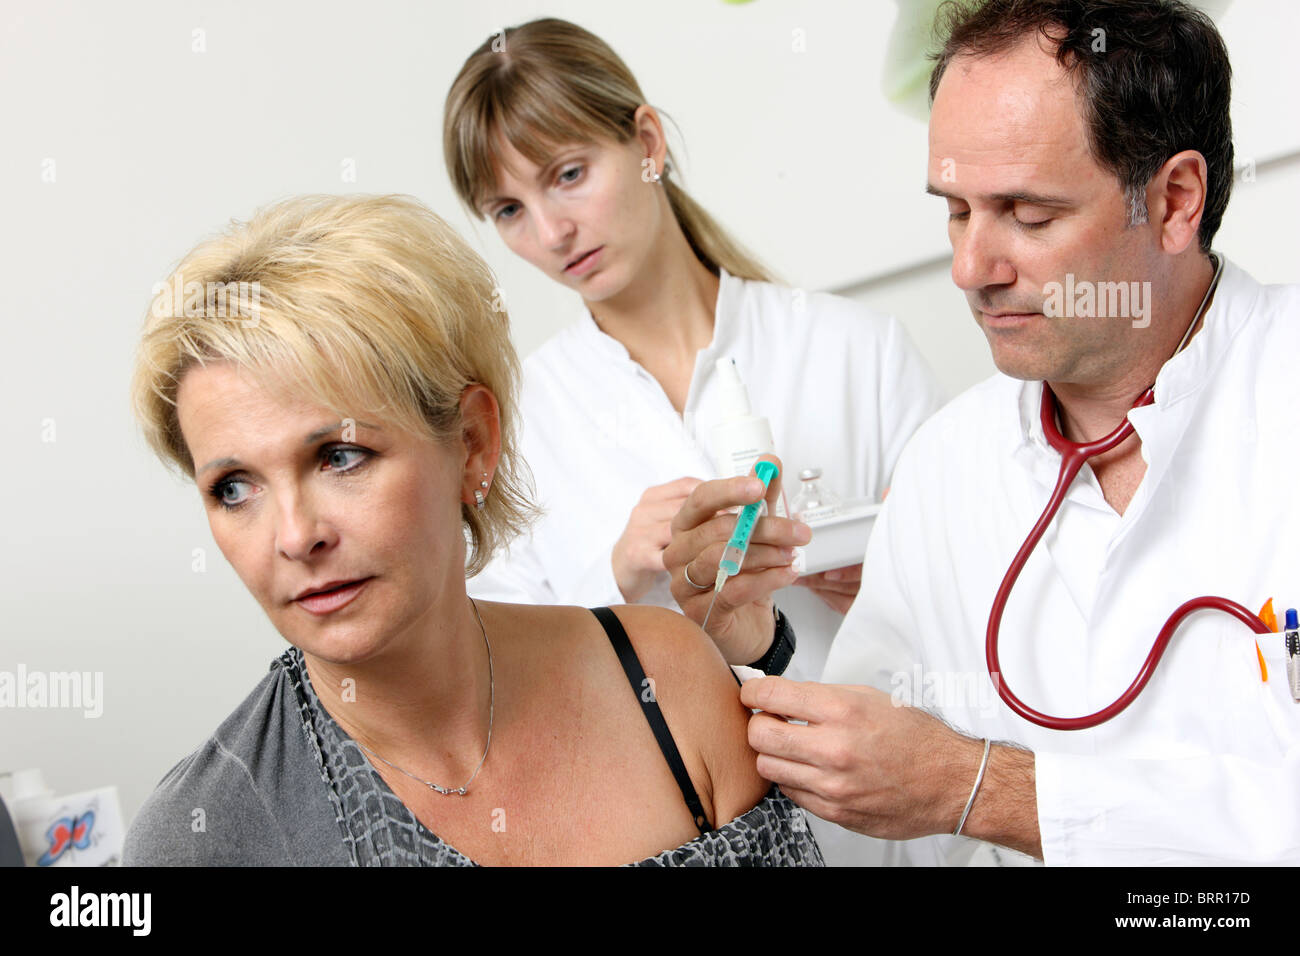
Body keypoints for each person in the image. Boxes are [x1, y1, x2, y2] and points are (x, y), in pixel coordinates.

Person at [667, 0, 1300, 865]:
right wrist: (751, 648)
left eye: (1027, 215)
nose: (972, 270)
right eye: (957, 211)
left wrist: (984, 788)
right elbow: (873, 836)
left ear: (1174, 200)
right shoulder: (947, 468)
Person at [121, 193, 823, 867]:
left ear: (472, 442)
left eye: (340, 457)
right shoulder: (200, 837)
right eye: (234, 488)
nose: (295, 536)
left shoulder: (666, 684)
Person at [443, 17, 945, 686]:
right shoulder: (517, 423)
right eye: (508, 210)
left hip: (873, 770)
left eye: (568, 174)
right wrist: (616, 577)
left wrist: (893, 586)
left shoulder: (857, 351)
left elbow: (983, 601)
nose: (552, 231)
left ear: (648, 143)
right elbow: (499, 675)